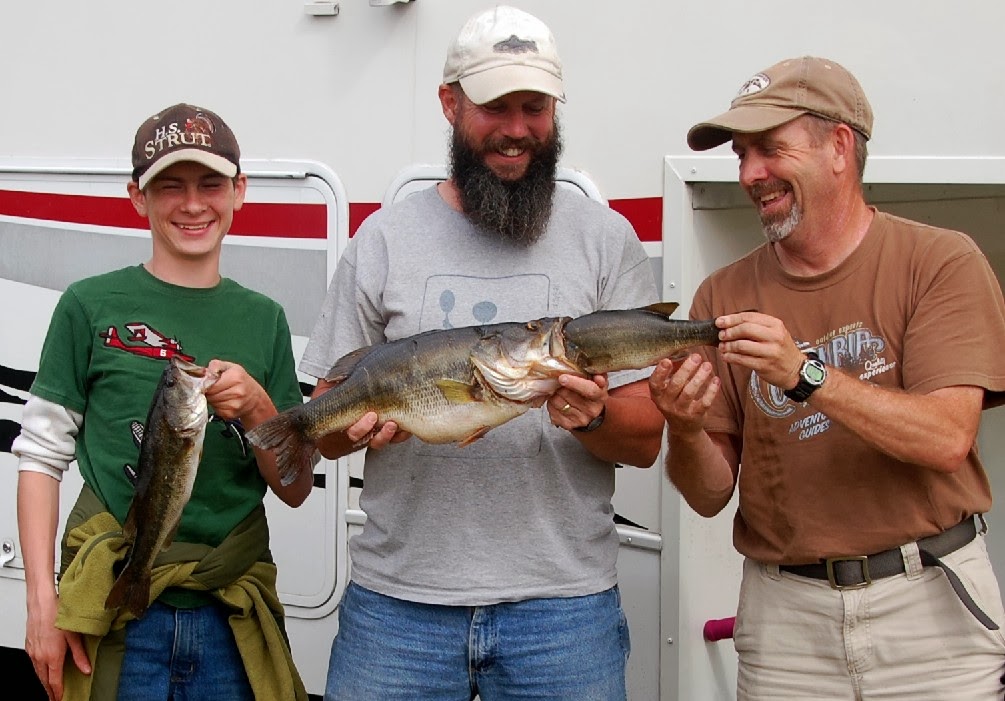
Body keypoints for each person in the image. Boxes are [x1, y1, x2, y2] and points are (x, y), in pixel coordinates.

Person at [299, 6, 662, 700]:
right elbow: (327, 423)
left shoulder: (604, 237)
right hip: (397, 607)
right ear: (450, 103)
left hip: (564, 610)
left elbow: (644, 440)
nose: (517, 129)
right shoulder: (383, 239)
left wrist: (591, 419)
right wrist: (354, 425)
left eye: (535, 107)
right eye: (496, 106)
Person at [649, 55, 1005, 698]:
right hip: (787, 623)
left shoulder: (940, 261)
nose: (751, 174)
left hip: (931, 609)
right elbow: (707, 494)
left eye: (769, 150)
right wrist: (685, 426)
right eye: (741, 155)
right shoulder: (721, 294)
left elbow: (947, 438)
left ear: (839, 147)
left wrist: (804, 373)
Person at [14, 103, 312, 701]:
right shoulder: (88, 304)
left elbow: (295, 489)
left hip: (229, 617)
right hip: (114, 610)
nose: (193, 204)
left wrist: (258, 408)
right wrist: (42, 604)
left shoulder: (266, 319)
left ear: (240, 191)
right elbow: (40, 457)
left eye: (210, 184)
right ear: (137, 197)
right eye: (169, 186)